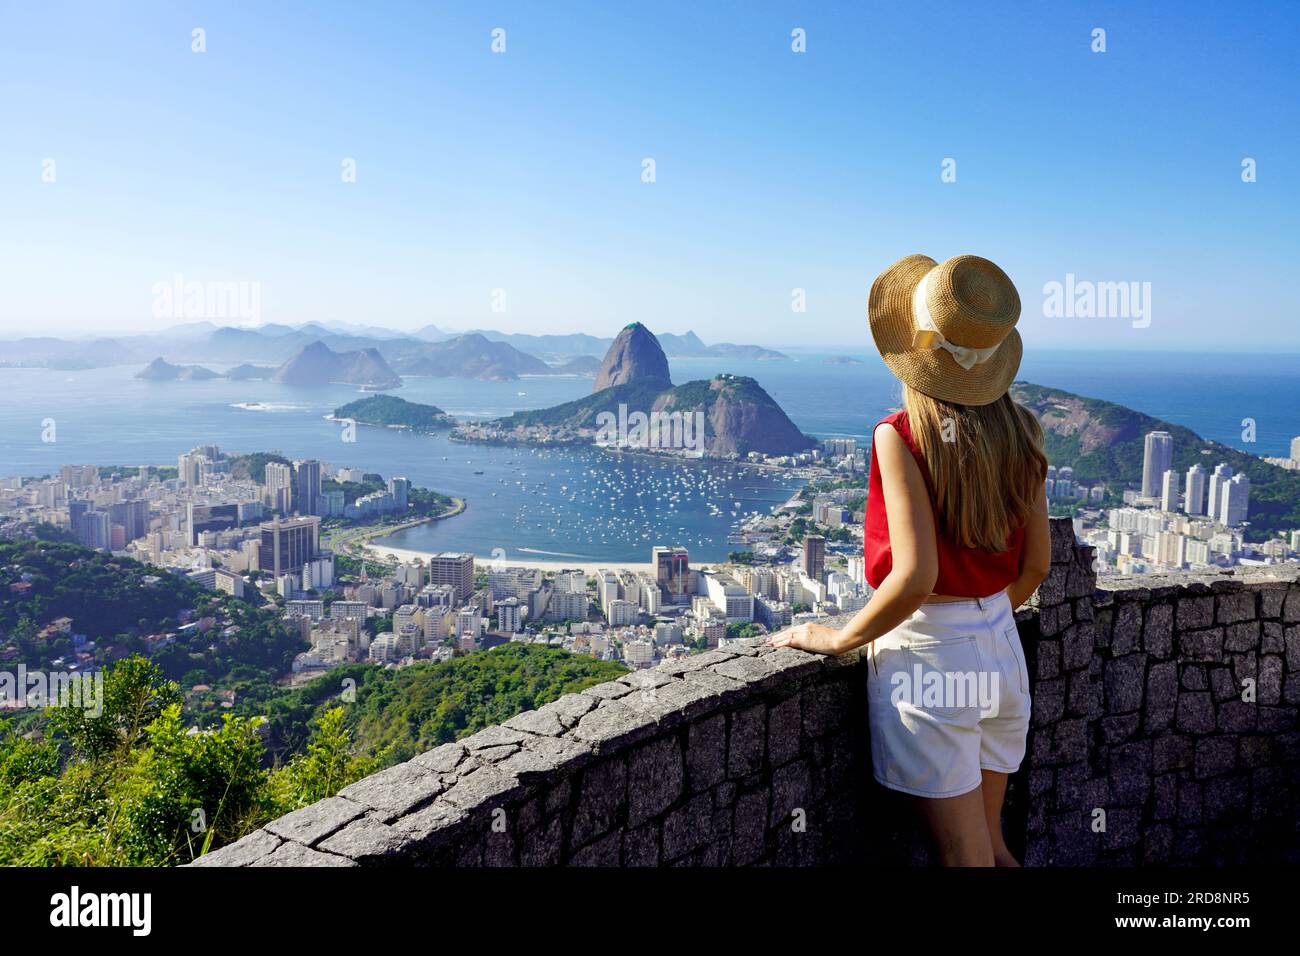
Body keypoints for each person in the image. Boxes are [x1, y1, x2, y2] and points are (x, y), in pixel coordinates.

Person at [767, 253, 1050, 867]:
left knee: (965, 861)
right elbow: (1036, 568)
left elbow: (916, 576)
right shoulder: (1024, 430)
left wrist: (838, 637)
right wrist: (982, 620)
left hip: (930, 660)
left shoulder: (898, 434)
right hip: (1002, 652)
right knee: (995, 848)